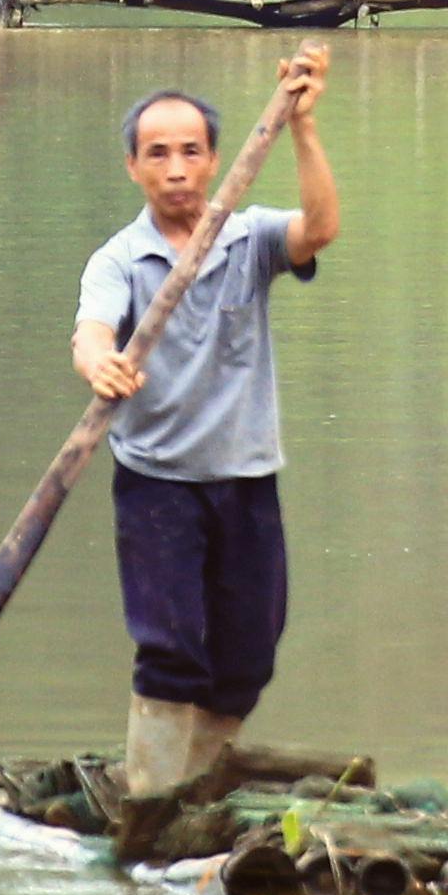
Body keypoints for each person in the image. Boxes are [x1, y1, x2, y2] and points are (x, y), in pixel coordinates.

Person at [73, 43, 339, 804]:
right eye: (158, 154)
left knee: (248, 657)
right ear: (134, 168)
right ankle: (154, 805)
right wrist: (102, 364)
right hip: (158, 484)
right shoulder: (119, 260)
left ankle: (201, 791)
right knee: (171, 653)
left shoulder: (247, 238)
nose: (178, 168)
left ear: (217, 158)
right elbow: (92, 331)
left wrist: (305, 129)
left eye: (192, 152)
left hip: (247, 478)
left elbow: (319, 229)